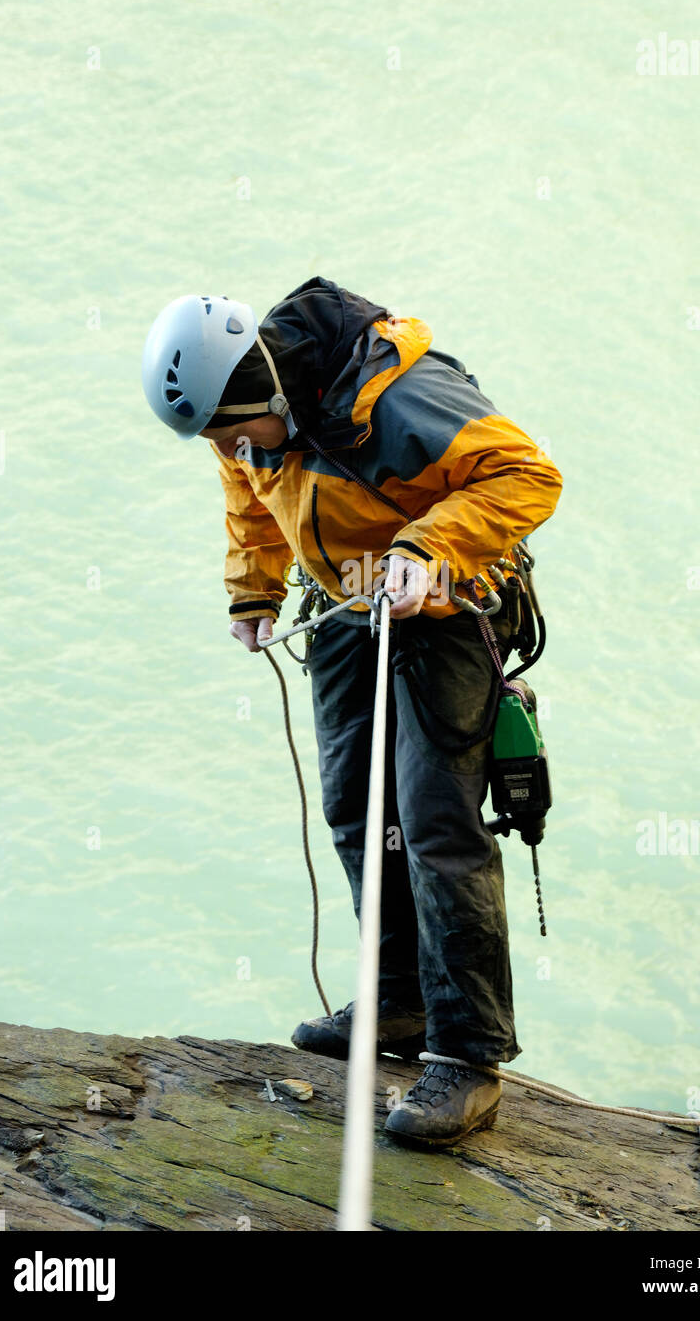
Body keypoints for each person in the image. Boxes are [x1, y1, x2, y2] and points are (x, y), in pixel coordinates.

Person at [142, 278, 563, 1146]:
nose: (229, 448)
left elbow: (528, 474)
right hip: (350, 603)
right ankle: (400, 1002)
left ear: (257, 389)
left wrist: (424, 549)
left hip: (449, 606)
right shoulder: (242, 421)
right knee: (353, 808)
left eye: (232, 430)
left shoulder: (398, 397)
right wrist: (252, 588)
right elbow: (248, 495)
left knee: (435, 819)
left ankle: (468, 1059)